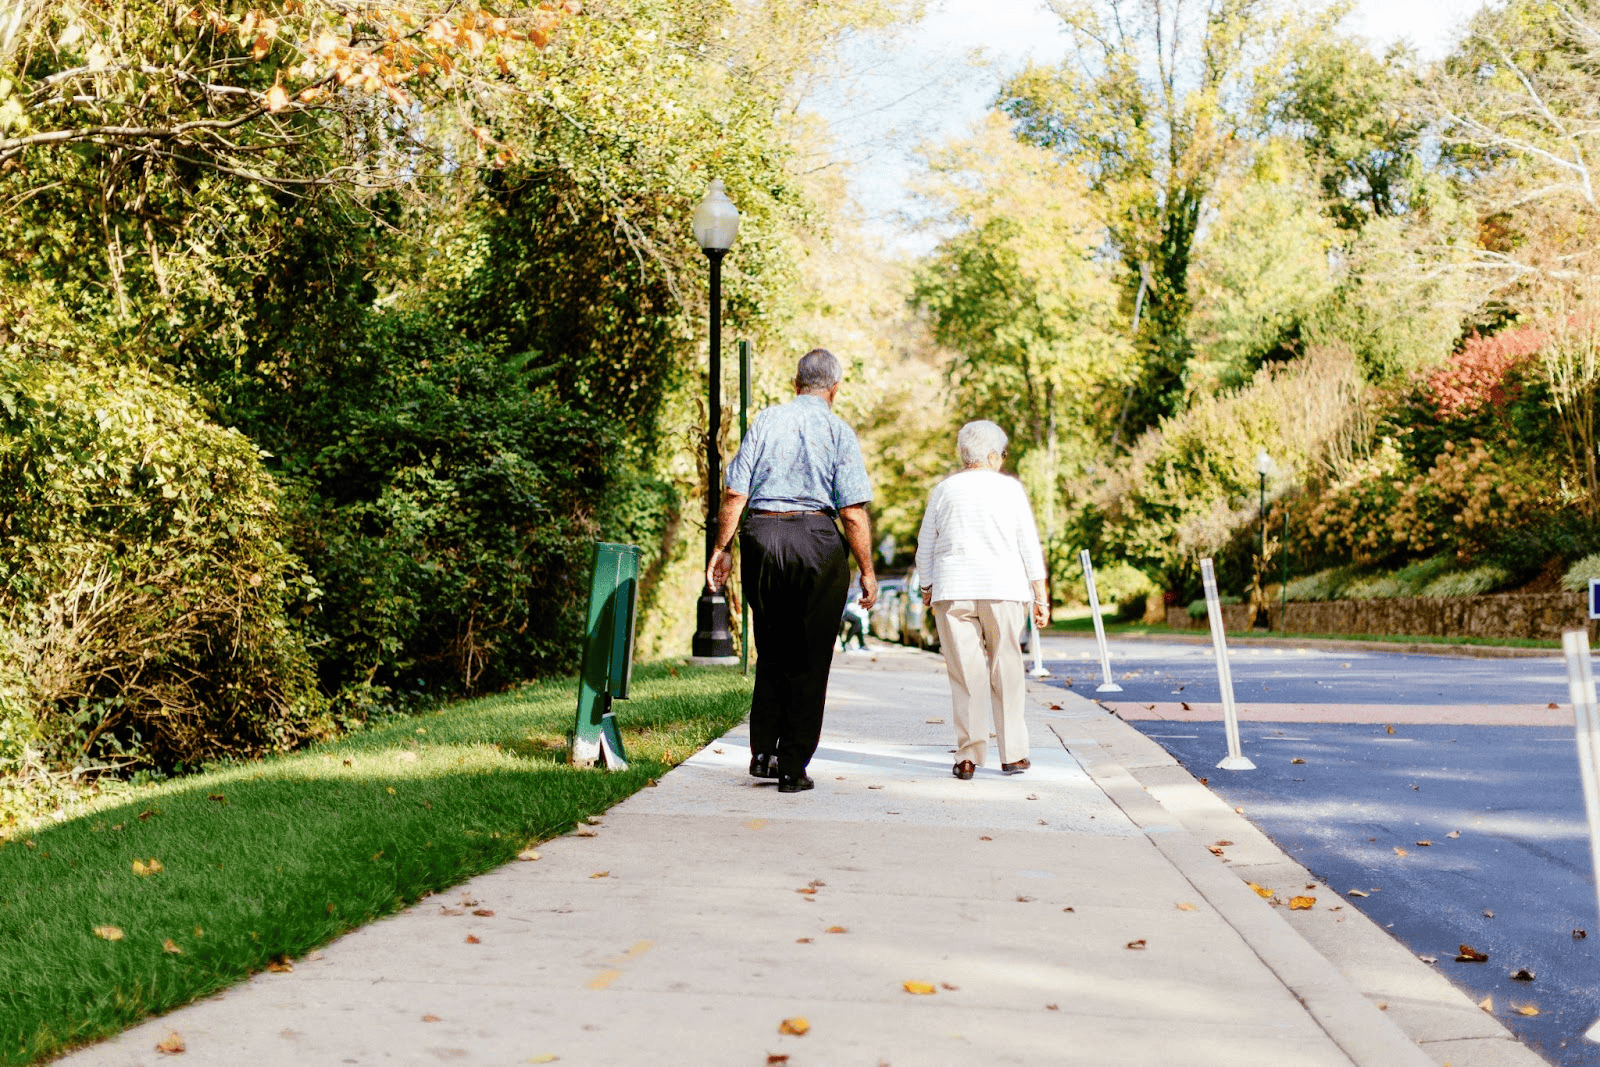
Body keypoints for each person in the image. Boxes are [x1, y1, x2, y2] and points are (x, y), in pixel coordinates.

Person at [706, 349, 878, 794]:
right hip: (817, 541)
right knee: (810, 657)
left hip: (762, 537)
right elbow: (853, 511)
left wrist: (722, 548)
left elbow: (734, 493)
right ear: (834, 388)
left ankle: (763, 753)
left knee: (773, 648)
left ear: (794, 382)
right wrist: (867, 570)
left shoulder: (765, 421)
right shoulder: (839, 431)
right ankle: (792, 765)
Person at [914, 420, 1048, 780]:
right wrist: (1040, 593)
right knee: (1006, 667)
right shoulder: (1010, 490)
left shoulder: (943, 490)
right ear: (990, 455)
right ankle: (1014, 754)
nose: (1002, 460)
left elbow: (925, 544)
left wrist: (927, 586)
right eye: (1001, 454)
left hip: (953, 589)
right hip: (1004, 589)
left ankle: (968, 756)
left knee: (966, 674)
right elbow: (1028, 544)